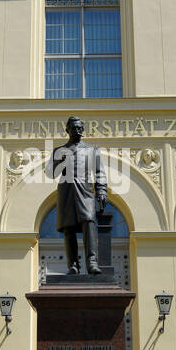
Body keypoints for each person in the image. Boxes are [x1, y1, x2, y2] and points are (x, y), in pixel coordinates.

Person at [49, 116, 107, 273]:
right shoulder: (59, 150)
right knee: (69, 228)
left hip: (85, 190)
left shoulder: (92, 149)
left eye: (80, 127)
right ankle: (73, 265)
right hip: (66, 191)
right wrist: (59, 160)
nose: (77, 130)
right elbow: (51, 173)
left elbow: (99, 172)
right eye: (74, 127)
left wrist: (101, 190)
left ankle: (92, 262)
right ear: (67, 130)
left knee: (89, 222)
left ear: (83, 129)